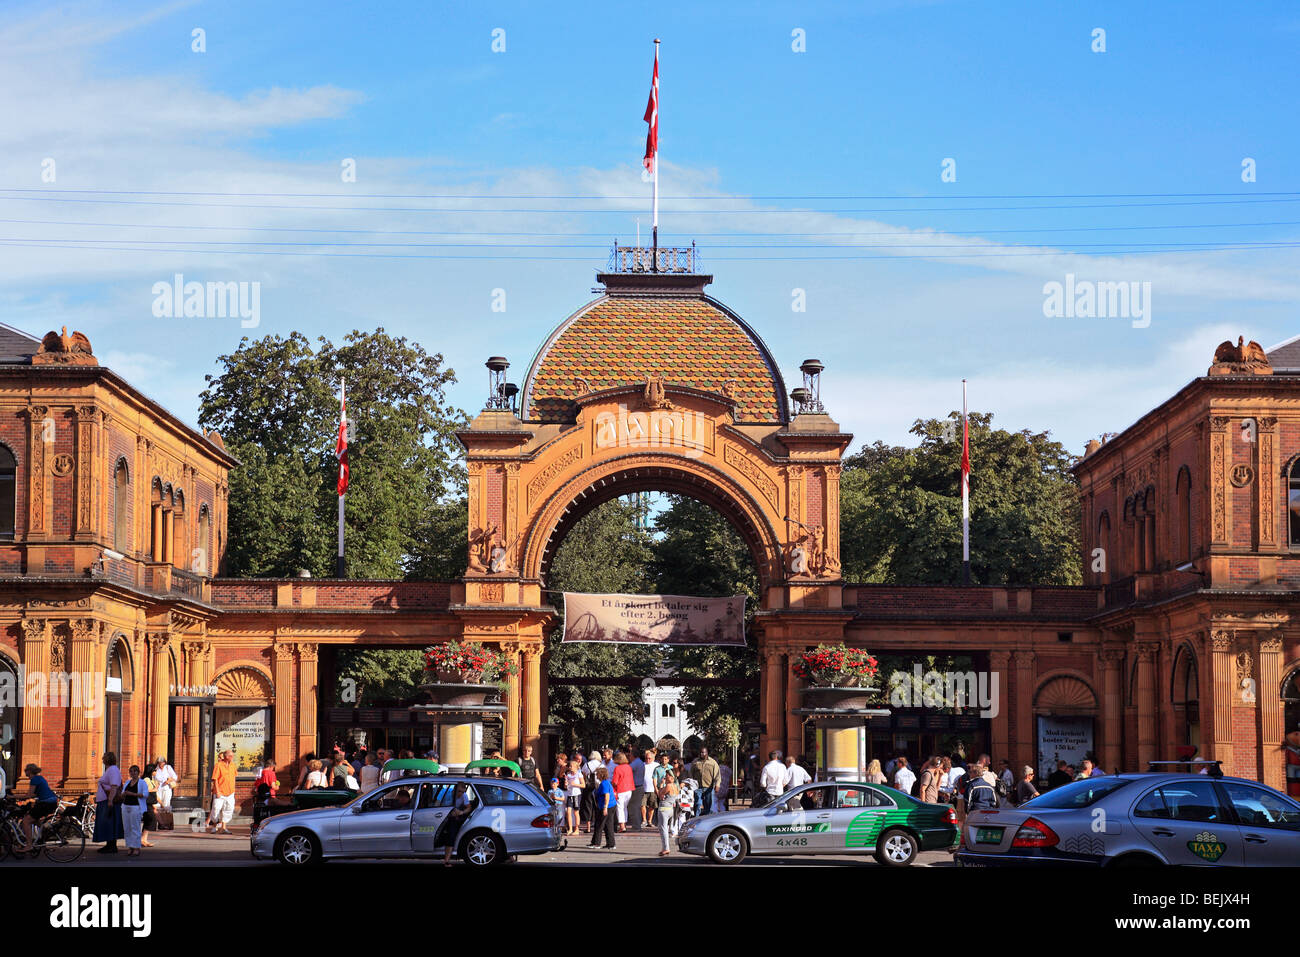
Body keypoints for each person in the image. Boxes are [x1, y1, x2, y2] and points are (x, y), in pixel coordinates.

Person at [16, 762, 59, 854]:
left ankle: (29, 845)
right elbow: (36, 794)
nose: (25, 773)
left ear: (30, 771)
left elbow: (30, 795)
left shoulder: (34, 779)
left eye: (26, 771)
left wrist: (12, 797)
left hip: (46, 803)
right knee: (34, 819)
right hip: (51, 802)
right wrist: (21, 797)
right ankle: (46, 830)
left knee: (26, 821)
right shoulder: (40, 778)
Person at [93, 752, 124, 854]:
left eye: (103, 758)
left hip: (108, 801)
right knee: (108, 823)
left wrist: (110, 800)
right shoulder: (110, 769)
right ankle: (109, 845)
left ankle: (111, 846)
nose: (102, 760)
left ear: (107, 759)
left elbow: (114, 786)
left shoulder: (113, 770)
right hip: (104, 801)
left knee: (109, 823)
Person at [440, 782, 472, 866]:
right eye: (459, 791)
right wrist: (449, 812)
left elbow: (469, 808)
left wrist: (461, 812)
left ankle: (446, 861)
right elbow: (436, 804)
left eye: (462, 792)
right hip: (441, 816)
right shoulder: (444, 792)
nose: (460, 794)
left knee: (451, 835)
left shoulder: (464, 795)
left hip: (453, 818)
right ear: (454, 789)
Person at [121, 765, 148, 857]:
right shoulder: (127, 782)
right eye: (131, 771)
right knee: (127, 827)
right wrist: (123, 794)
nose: (133, 773)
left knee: (135, 827)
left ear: (138, 772)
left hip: (136, 806)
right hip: (125, 806)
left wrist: (132, 794)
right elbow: (122, 793)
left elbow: (145, 794)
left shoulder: (142, 782)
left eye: (135, 771)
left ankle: (136, 847)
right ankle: (130, 846)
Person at [207, 750, 237, 835]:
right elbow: (215, 779)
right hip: (220, 791)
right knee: (216, 809)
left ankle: (224, 827)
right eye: (230, 756)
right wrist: (217, 791)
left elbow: (234, 777)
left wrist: (233, 789)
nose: (232, 757)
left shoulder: (233, 765)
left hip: (230, 792)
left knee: (229, 809)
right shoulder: (218, 765)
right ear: (225, 756)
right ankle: (214, 826)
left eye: (232, 756)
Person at [589, 767, 617, 849]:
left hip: (607, 806)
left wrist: (605, 807)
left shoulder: (604, 784)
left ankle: (596, 843)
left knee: (599, 824)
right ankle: (611, 844)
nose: (596, 775)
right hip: (611, 805)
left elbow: (607, 796)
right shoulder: (606, 782)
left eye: (597, 774)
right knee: (608, 825)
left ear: (601, 775)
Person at [655, 769, 679, 857]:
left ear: (671, 777)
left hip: (664, 809)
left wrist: (661, 785)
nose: (665, 777)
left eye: (667, 775)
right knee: (666, 828)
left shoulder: (668, 786)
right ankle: (665, 847)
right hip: (671, 809)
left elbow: (660, 795)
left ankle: (666, 848)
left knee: (663, 829)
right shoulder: (675, 786)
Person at [611, 751, 635, 831]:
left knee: (620, 808)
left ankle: (622, 826)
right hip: (629, 789)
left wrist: (611, 784)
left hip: (621, 789)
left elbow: (615, 782)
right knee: (625, 808)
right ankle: (624, 824)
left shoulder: (617, 768)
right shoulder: (629, 767)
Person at [693, 747, 721, 815]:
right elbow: (691, 773)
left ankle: (707, 818)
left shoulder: (713, 762)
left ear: (707, 753)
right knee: (698, 804)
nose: (701, 754)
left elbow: (717, 775)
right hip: (698, 787)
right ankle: (697, 818)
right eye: (700, 752)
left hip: (709, 787)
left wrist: (717, 785)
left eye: (703, 752)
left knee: (709, 806)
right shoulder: (695, 762)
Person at [564, 759, 585, 836]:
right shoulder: (568, 774)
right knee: (568, 812)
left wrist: (575, 784)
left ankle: (577, 829)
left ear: (576, 767)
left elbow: (583, 785)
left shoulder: (579, 774)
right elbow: (566, 786)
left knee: (576, 812)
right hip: (570, 794)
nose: (570, 767)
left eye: (571, 766)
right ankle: (570, 829)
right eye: (569, 766)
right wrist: (566, 784)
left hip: (576, 794)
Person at [628, 749, 647, 828]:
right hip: (639, 786)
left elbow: (627, 770)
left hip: (637, 787)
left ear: (633, 755)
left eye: (630, 755)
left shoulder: (635, 763)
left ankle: (636, 825)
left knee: (634, 807)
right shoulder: (640, 762)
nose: (629, 757)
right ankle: (636, 824)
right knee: (636, 806)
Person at [640, 749, 658, 827]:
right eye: (646, 758)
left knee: (652, 806)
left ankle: (650, 821)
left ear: (653, 758)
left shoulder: (656, 765)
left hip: (653, 789)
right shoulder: (642, 765)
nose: (648, 760)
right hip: (643, 788)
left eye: (649, 758)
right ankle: (644, 820)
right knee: (642, 805)